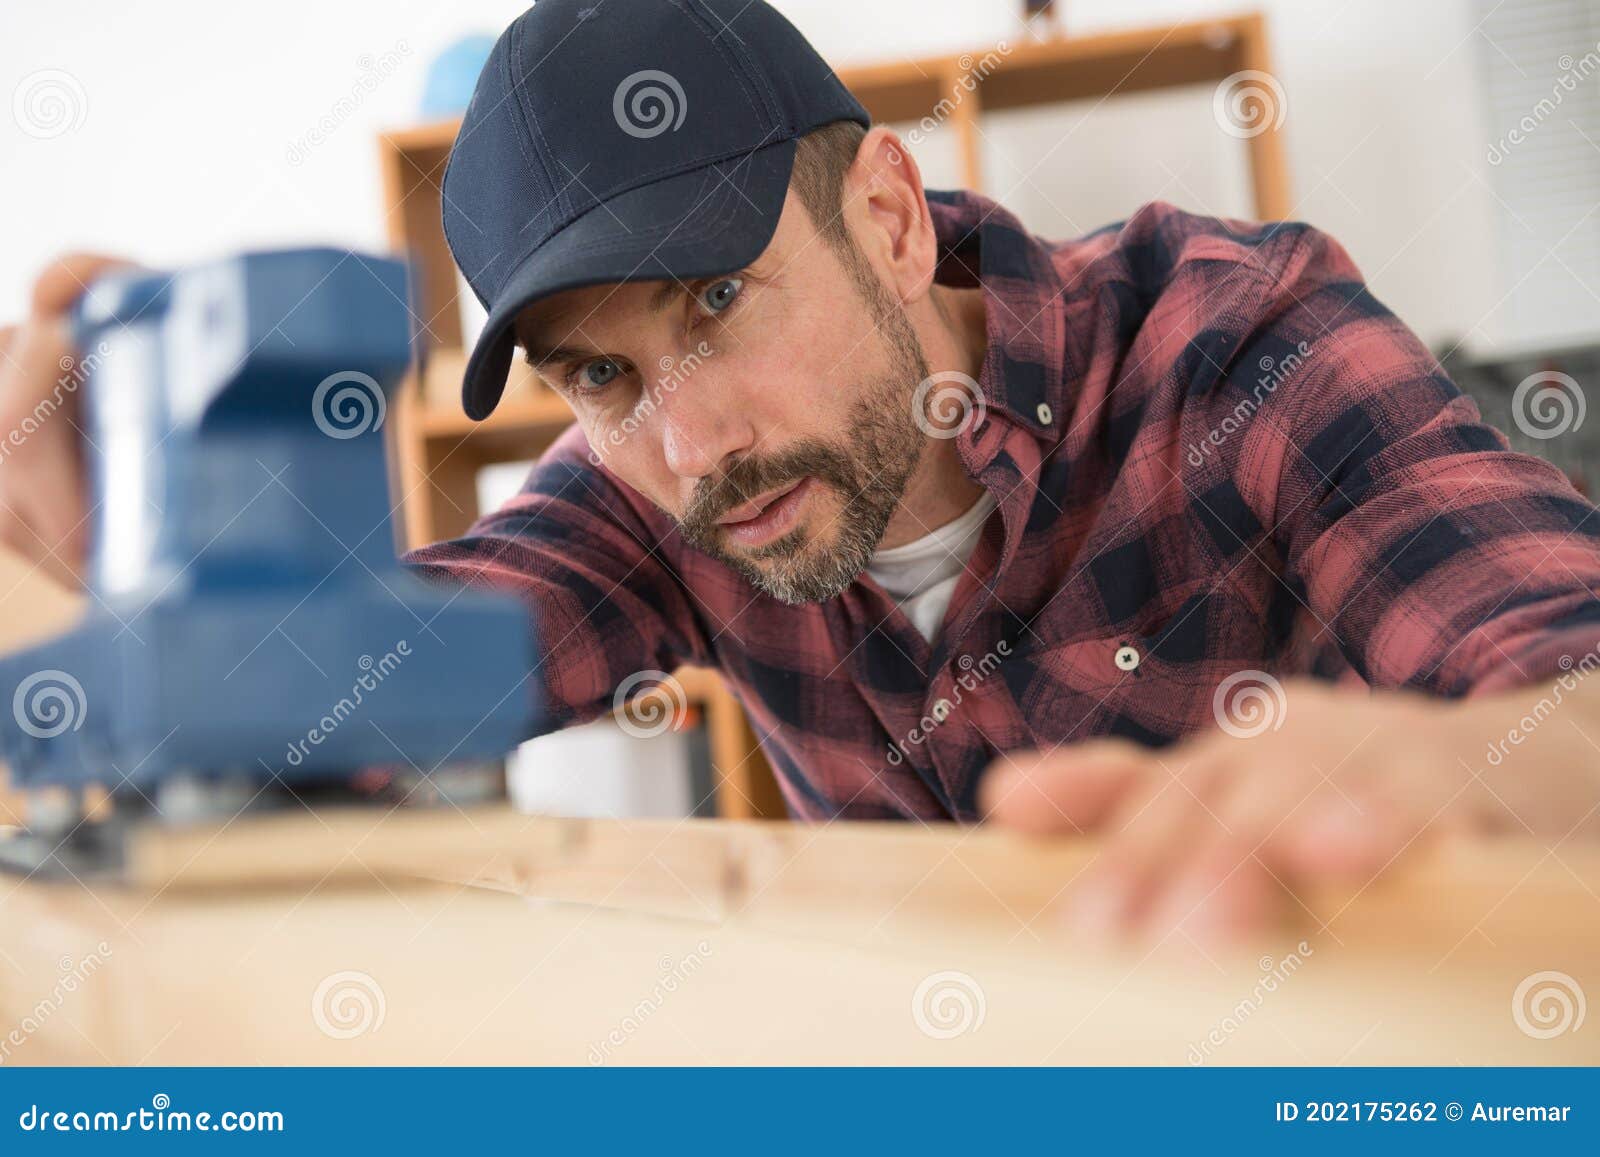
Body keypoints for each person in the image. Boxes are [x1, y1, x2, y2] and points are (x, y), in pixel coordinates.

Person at [3, 0, 1598, 946]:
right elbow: (338, 702)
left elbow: (1573, 688)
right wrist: (102, 612)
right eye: (602, 375)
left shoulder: (1244, 344)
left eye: (717, 300)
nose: (693, 445)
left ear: (889, 218)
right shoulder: (648, 489)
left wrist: (1483, 769)